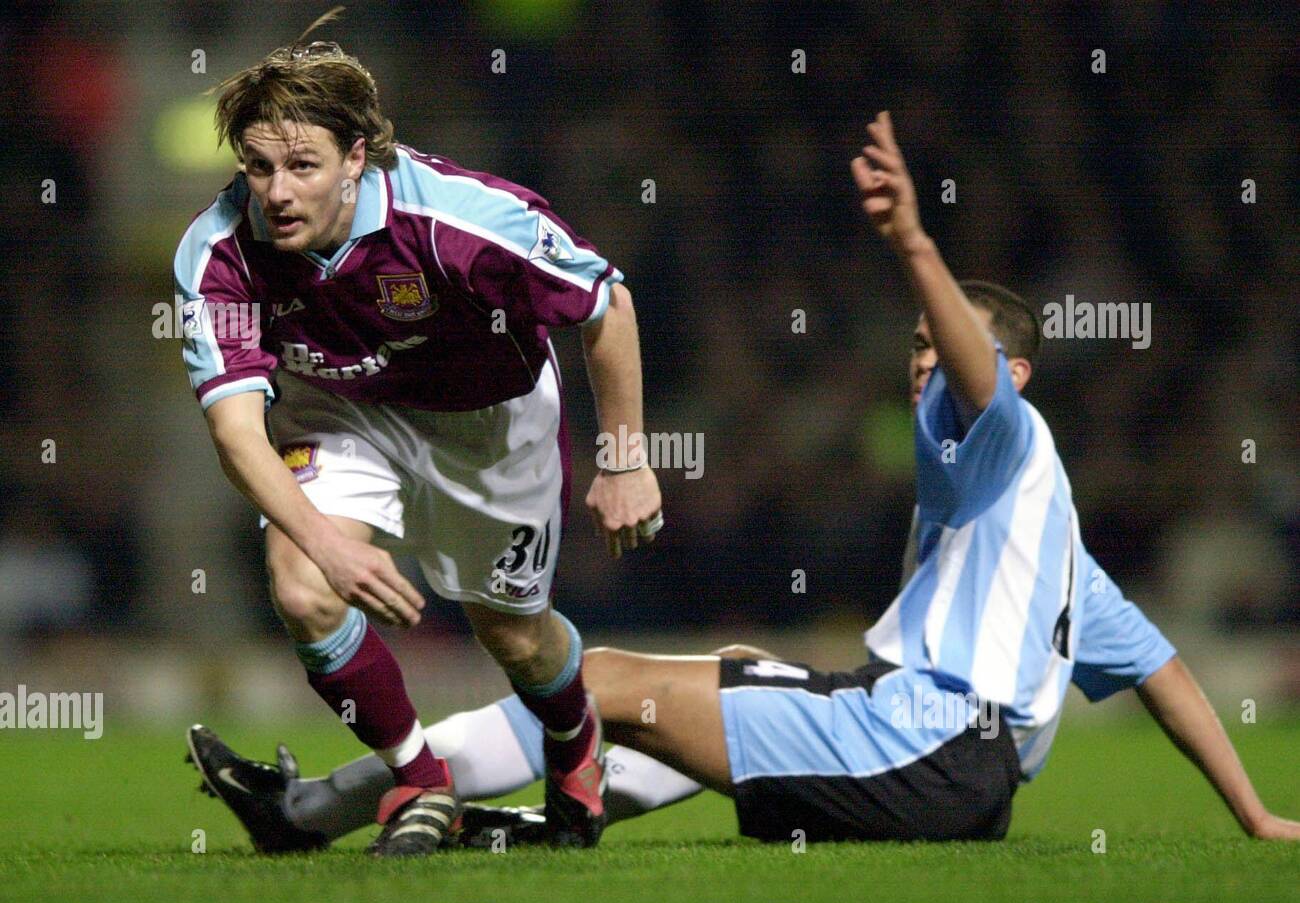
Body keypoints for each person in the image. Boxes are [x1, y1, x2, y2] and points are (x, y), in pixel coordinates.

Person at [186, 111, 1300, 851]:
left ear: (1010, 375)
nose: (924, 363)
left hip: (922, 744)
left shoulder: (1007, 435)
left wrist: (914, 246)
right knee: (716, 675)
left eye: (943, 348)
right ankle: (509, 825)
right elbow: (1160, 669)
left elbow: (978, 375)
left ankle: (319, 809)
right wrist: (1252, 813)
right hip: (954, 770)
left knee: (600, 682)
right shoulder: (1046, 541)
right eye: (915, 344)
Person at [174, 12, 662, 856]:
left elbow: (606, 303)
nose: (277, 192)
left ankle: (575, 737)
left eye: (302, 165)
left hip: (490, 422)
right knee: (302, 587)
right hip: (340, 411)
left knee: (513, 635)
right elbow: (236, 432)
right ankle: (419, 779)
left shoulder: (461, 220)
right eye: (258, 166)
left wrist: (624, 461)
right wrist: (325, 542)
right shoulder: (218, 253)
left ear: (356, 158)